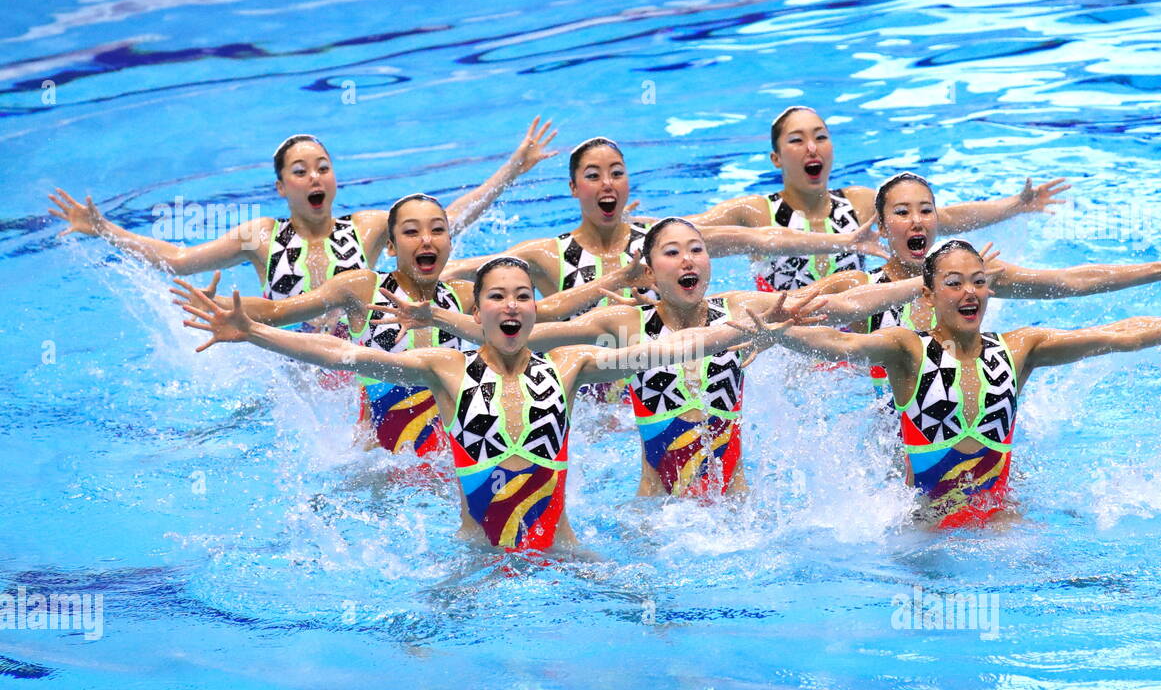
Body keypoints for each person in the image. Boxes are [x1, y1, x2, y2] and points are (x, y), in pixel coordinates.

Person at [177, 257, 821, 551]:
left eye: (522, 296)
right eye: (498, 297)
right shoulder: (443, 367)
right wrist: (255, 332)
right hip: (473, 560)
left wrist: (762, 329)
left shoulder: (571, 365)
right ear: (475, 310)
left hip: (566, 555)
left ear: (536, 309)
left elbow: (679, 346)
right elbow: (346, 358)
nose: (511, 306)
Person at [742, 240, 1161, 528]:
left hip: (1005, 525)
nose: (969, 291)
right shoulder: (907, 350)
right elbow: (841, 346)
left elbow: (1117, 335)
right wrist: (777, 332)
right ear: (928, 295)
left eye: (979, 281)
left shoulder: (1018, 350)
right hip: (923, 536)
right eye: (953, 283)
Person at [369, 218, 926, 497]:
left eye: (697, 250)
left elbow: (842, 304)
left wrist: (926, 282)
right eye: (673, 252)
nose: (689, 259)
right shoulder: (625, 323)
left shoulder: (740, 311)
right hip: (659, 514)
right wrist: (444, 320)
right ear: (650, 270)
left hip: (736, 508)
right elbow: (532, 331)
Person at [47, 118, 558, 335]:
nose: (315, 177)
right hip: (298, 366)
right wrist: (106, 229)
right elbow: (180, 259)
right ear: (281, 187)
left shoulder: (368, 226)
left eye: (323, 167)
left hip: (360, 357)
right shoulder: (261, 236)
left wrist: (511, 168)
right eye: (301, 171)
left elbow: (449, 218)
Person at [822, 171, 1161, 386]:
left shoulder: (975, 281)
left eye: (926, 211)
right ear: (881, 225)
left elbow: (1071, 282)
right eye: (903, 212)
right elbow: (788, 315)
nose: (916, 221)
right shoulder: (862, 289)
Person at [440, 135, 891, 316]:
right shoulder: (548, 254)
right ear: (574, 188)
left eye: (616, 172)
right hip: (600, 414)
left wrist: (842, 240)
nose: (607, 183)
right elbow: (461, 269)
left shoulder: (662, 242)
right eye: (593, 176)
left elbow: (757, 238)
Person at [172, 193, 477, 460]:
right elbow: (277, 310)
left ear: (450, 240)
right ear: (391, 246)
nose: (426, 240)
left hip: (448, 458)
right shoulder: (362, 288)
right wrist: (227, 307)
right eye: (411, 232)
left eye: (438, 230)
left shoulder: (463, 296)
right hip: (380, 460)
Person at [684, 105, 1072, 291]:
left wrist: (1014, 205)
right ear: (775, 157)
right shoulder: (755, 211)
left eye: (820, 136)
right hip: (799, 348)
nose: (812, 148)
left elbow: (946, 217)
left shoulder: (859, 202)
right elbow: (684, 233)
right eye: (797, 140)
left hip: (860, 337)